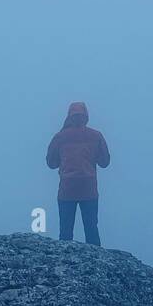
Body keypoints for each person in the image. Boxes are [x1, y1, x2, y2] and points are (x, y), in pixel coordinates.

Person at [45, 101, 111, 245]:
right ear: (86, 116)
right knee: (91, 228)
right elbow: (105, 162)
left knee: (66, 231)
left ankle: (65, 263)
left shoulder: (60, 136)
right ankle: (96, 261)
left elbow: (51, 163)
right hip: (89, 188)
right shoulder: (96, 135)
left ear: (69, 116)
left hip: (67, 189)